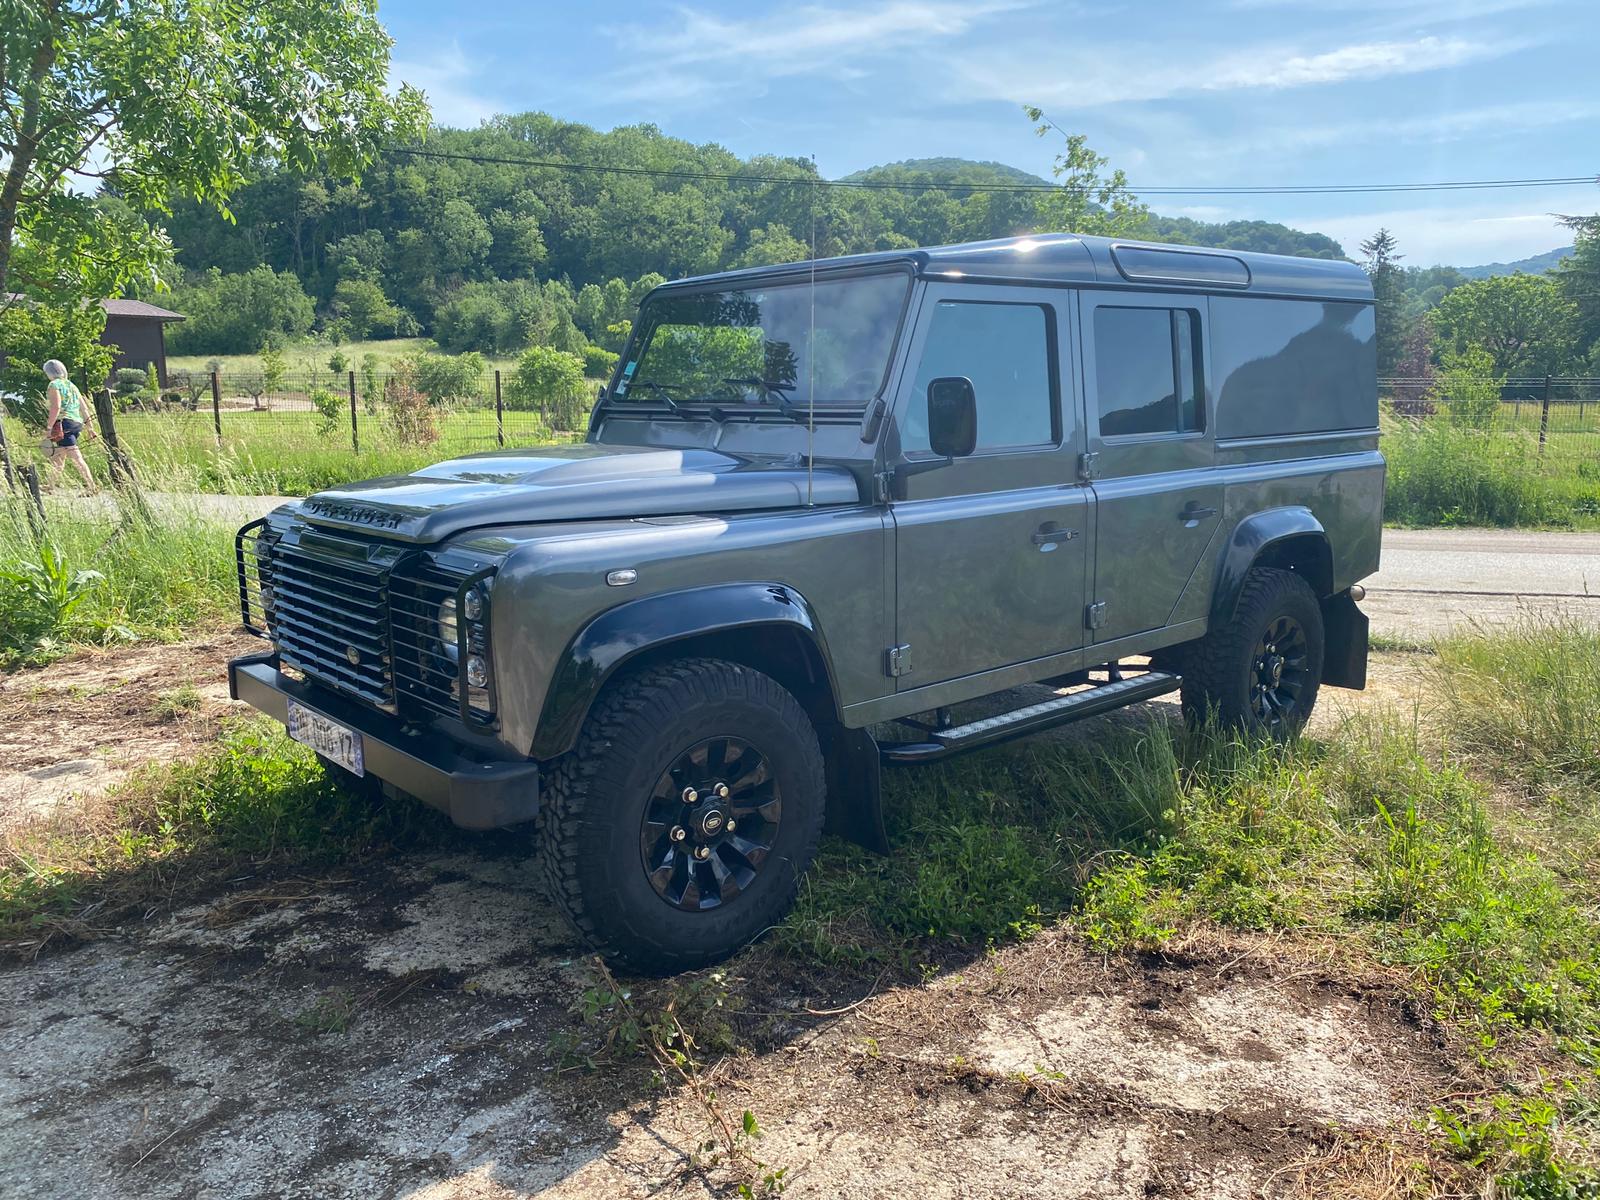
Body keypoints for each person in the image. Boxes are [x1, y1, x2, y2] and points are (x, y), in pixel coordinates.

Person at [41, 359, 96, 490]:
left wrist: (49, 427)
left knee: (76, 457)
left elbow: (56, 407)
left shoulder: (54, 385)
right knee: (59, 456)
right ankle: (50, 485)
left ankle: (91, 486)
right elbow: (84, 408)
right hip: (76, 423)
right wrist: (90, 427)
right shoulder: (72, 385)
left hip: (64, 424)